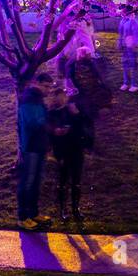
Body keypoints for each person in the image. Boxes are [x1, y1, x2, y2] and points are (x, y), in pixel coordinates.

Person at [47, 87, 92, 224]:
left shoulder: (73, 110)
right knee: (62, 181)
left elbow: (85, 125)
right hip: (61, 151)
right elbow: (48, 131)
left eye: (63, 95)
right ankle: (62, 210)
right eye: (58, 96)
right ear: (54, 98)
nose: (62, 98)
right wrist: (56, 131)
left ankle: (75, 209)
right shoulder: (51, 113)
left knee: (76, 182)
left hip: (76, 150)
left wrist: (77, 114)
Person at [16, 81, 52, 231]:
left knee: (36, 182)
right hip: (31, 147)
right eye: (46, 86)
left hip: (40, 146)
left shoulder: (39, 101)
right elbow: (32, 123)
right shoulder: (27, 101)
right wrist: (47, 120)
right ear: (37, 84)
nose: (48, 89)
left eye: (50, 86)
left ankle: (34, 213)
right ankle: (23, 217)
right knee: (28, 182)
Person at [117, 4, 138, 92]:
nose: (121, 11)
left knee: (133, 65)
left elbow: (137, 34)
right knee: (125, 64)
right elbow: (121, 33)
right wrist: (120, 42)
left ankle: (135, 84)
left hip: (131, 46)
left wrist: (135, 44)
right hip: (125, 45)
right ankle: (126, 82)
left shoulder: (133, 21)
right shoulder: (122, 21)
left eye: (123, 9)